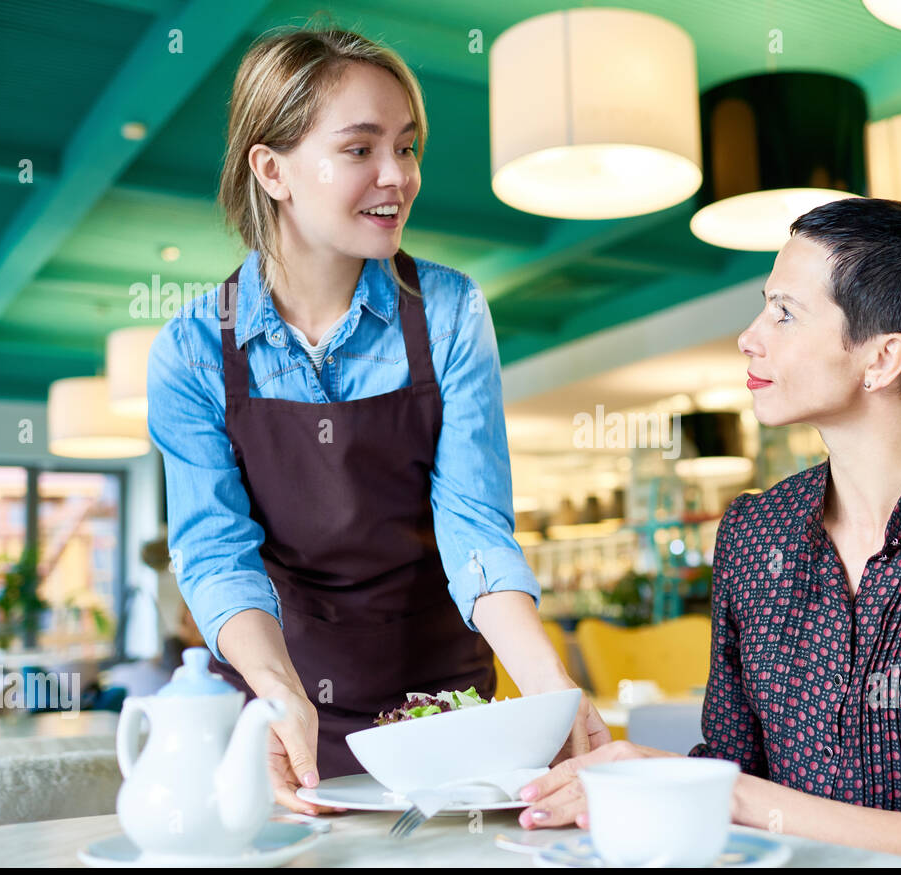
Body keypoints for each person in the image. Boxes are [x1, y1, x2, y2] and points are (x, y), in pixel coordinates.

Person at [518, 198, 901, 867]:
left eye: (785, 313)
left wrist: (720, 793)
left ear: (882, 358)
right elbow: (731, 759)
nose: (749, 336)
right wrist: (648, 789)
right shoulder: (752, 531)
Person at [146, 26, 608, 815]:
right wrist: (278, 692)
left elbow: (475, 527)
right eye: (360, 149)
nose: (398, 176)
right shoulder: (190, 351)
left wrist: (551, 688)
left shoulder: (451, 312)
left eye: (407, 146)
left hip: (445, 712)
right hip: (279, 712)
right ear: (272, 169)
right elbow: (218, 555)